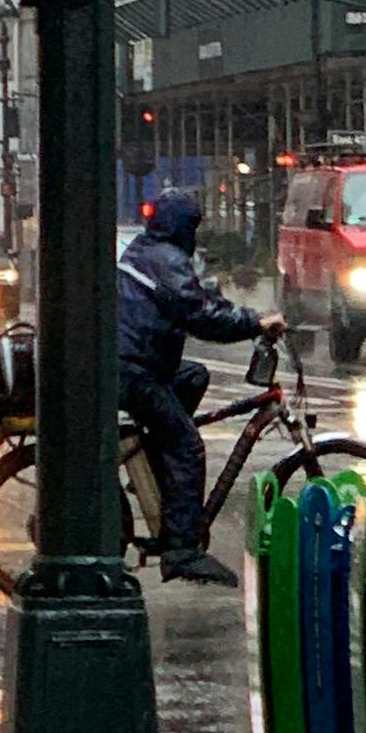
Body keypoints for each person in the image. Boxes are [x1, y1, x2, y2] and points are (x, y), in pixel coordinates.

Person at [117, 186, 285, 588]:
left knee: (195, 375)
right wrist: (254, 323)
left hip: (133, 362)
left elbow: (200, 299)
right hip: (133, 370)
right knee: (187, 447)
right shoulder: (167, 258)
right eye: (192, 225)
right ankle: (182, 550)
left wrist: (243, 313)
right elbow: (201, 316)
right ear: (183, 226)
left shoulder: (146, 250)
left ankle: (156, 465)